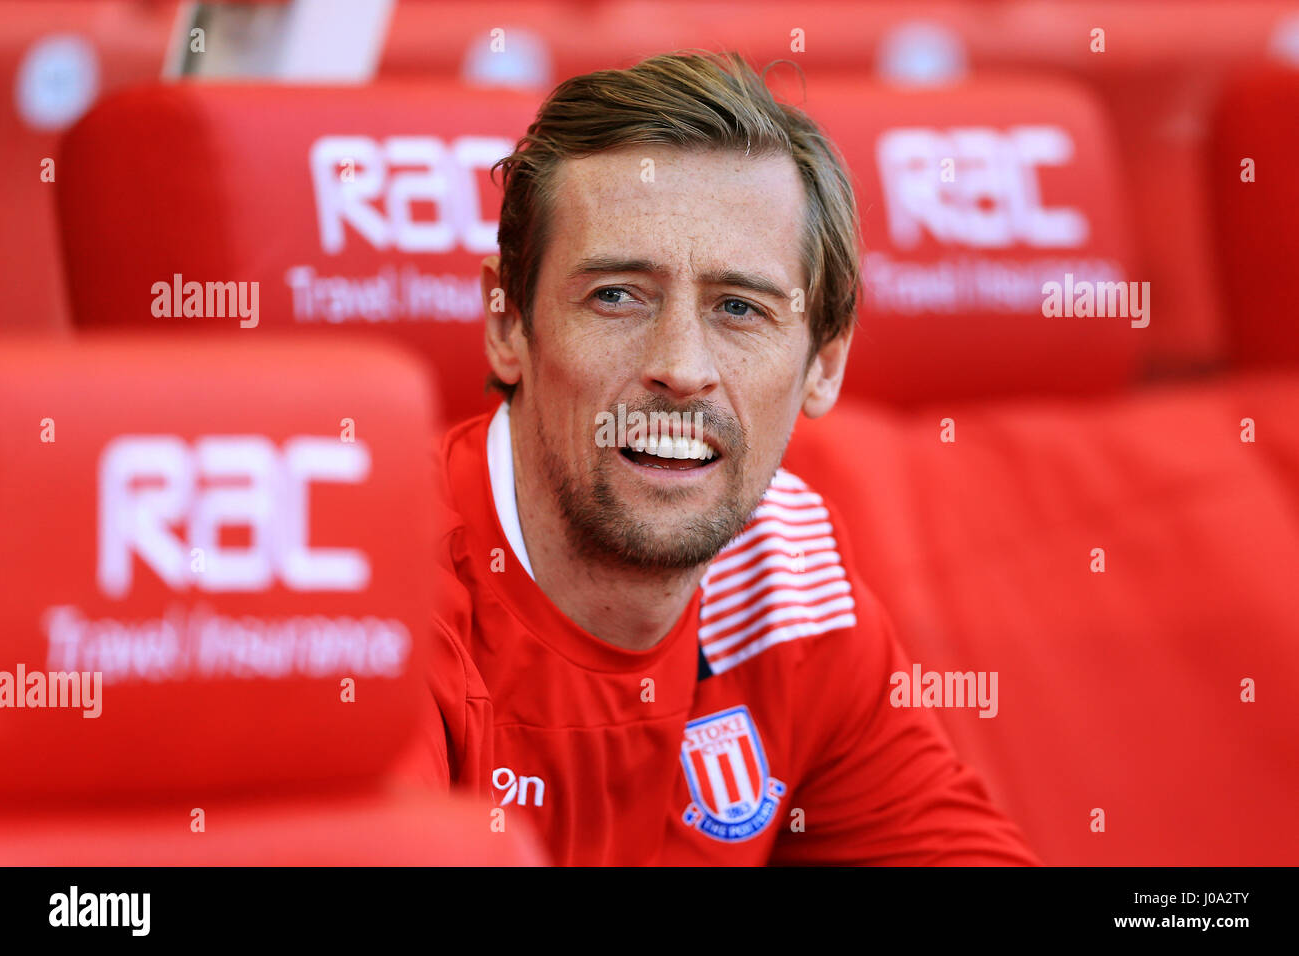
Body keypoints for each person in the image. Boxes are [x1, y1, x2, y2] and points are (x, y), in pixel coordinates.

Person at [423, 50, 1039, 865]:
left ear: (824, 364)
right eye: (616, 295)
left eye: (739, 308)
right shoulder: (385, 595)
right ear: (508, 323)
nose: (682, 365)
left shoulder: (784, 574)